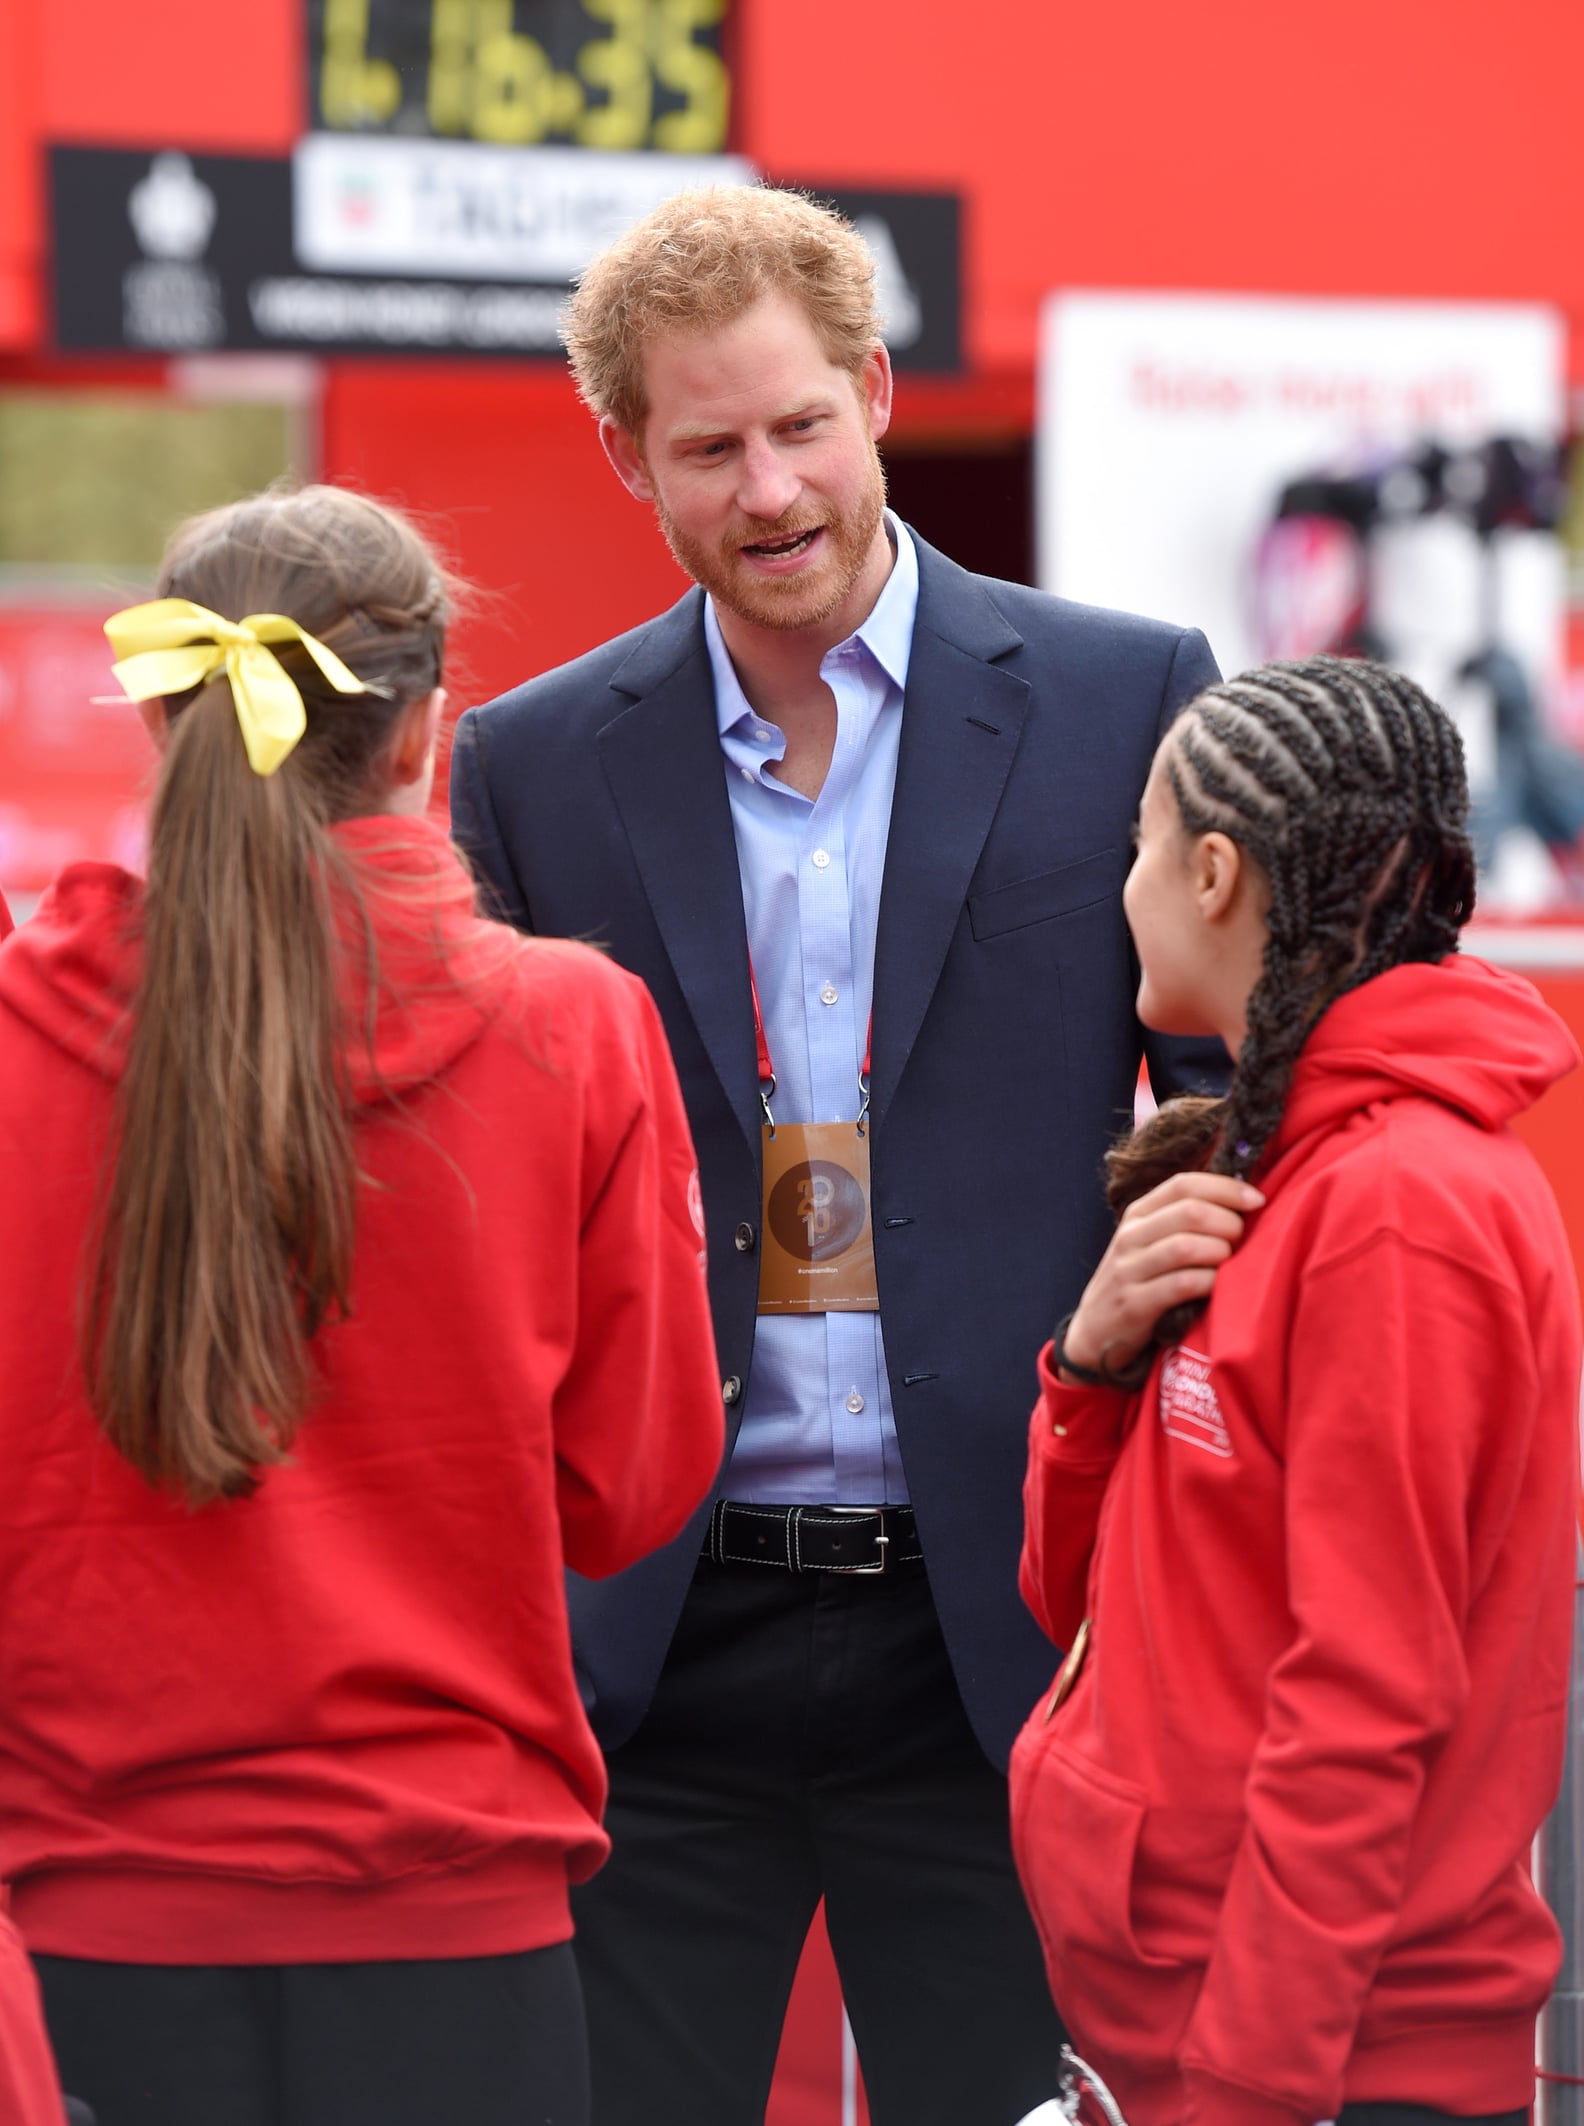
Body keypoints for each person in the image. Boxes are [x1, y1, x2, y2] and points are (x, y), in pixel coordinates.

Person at [450, 184, 1226, 2126]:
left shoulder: (1124, 697)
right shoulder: (536, 767)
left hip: (1010, 1631)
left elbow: (1246, 1094)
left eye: (801, 424)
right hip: (655, 1636)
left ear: (876, 392)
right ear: (628, 455)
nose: (769, 487)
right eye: (708, 446)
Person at [0, 485, 723, 2126]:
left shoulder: (19, 1033)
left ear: (163, 725)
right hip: (457, 1920)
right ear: (428, 736)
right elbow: (634, 1490)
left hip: (88, 1917)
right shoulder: (575, 1028)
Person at [1012, 655, 1580, 2126]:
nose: (1120, 882)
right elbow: (1078, 1603)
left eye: (1139, 842)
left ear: (1211, 872)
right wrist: (1087, 1368)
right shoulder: (1279, 1163)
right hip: (1199, 2042)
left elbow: (1364, 1699)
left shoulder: (1400, 1209)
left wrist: (1244, 2087)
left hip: (1310, 2069)